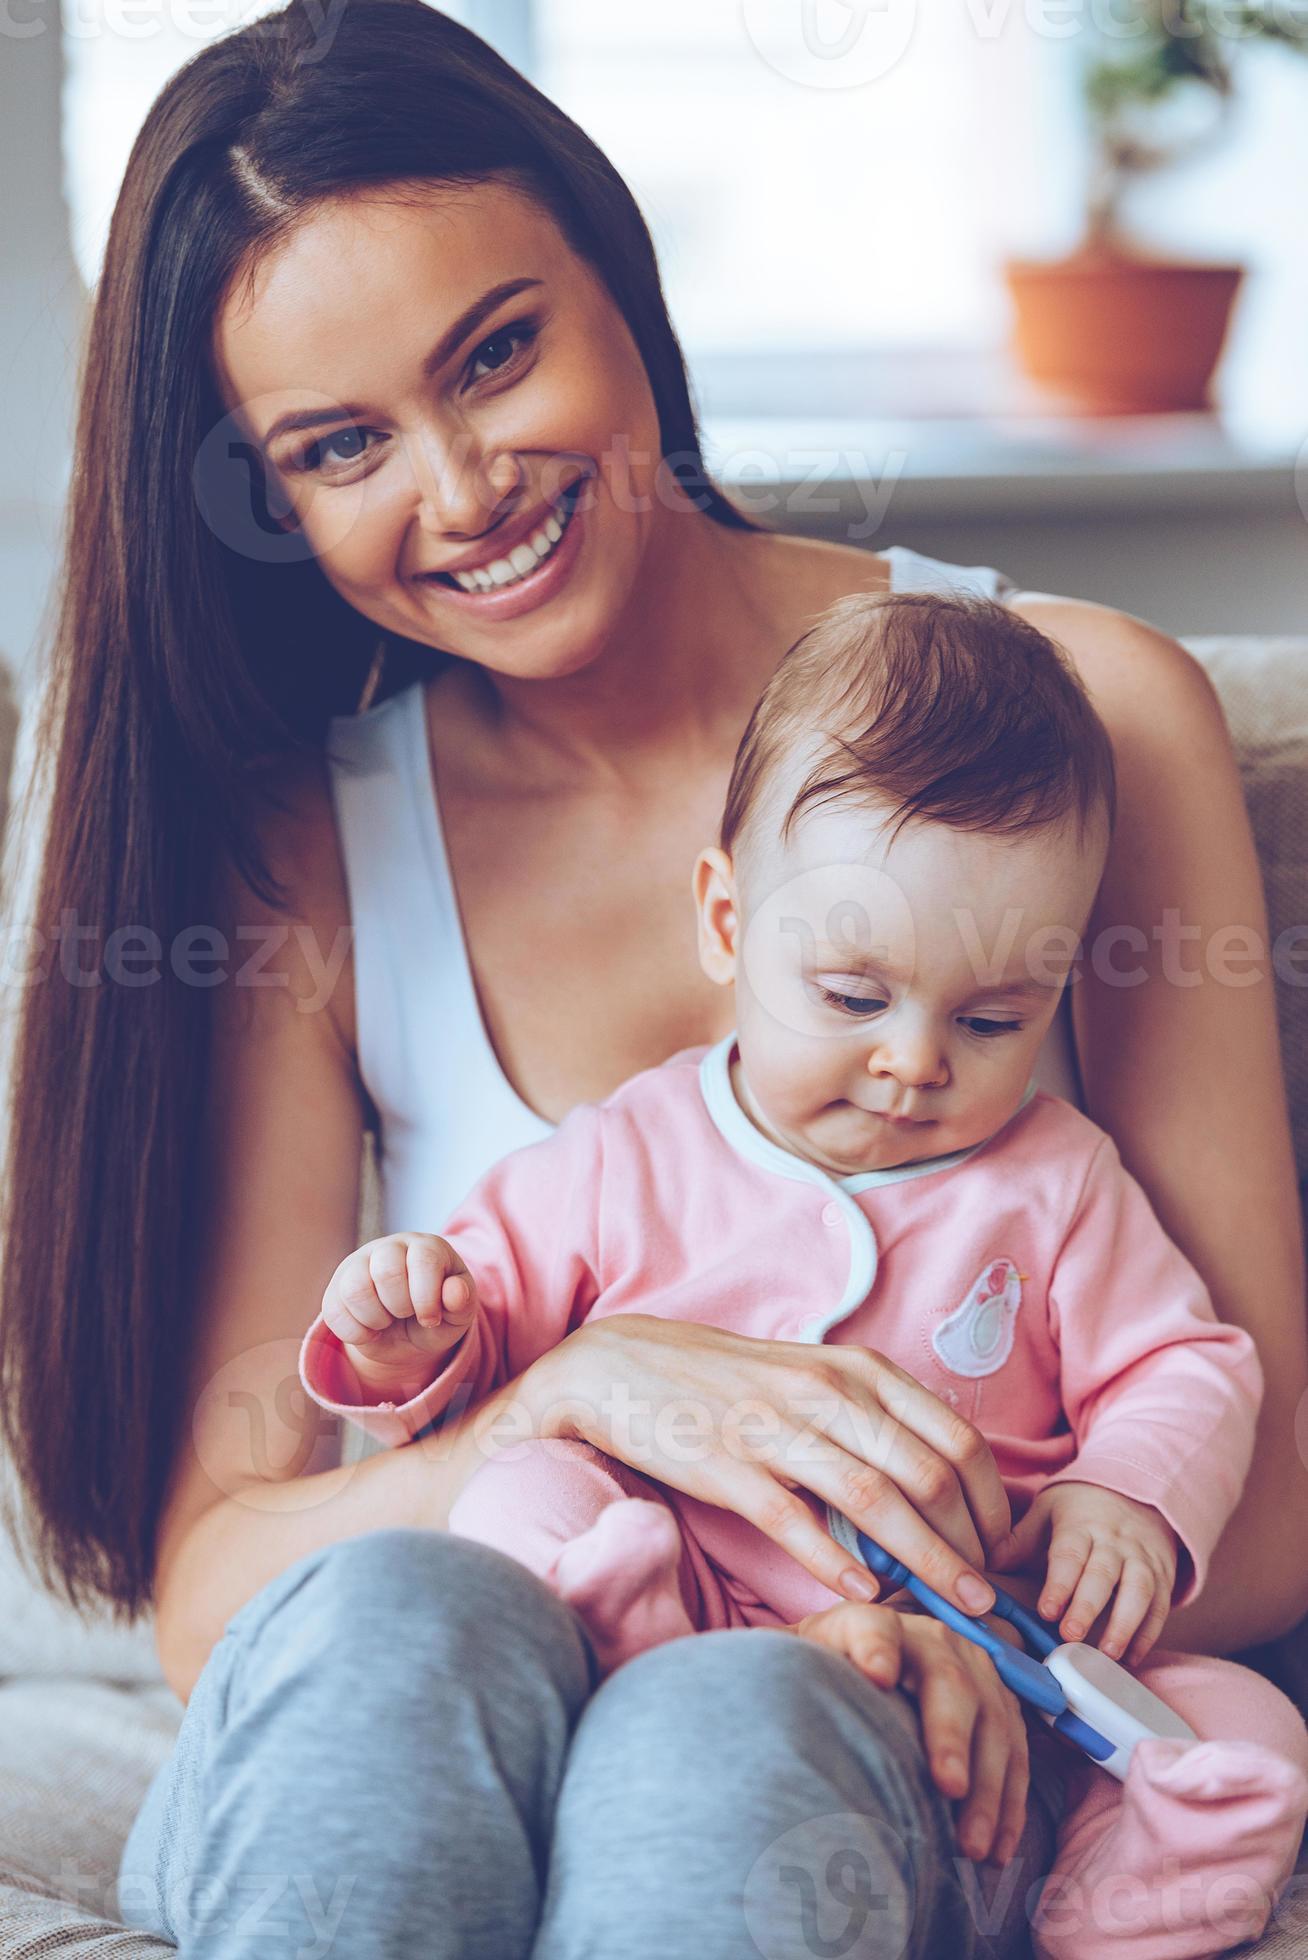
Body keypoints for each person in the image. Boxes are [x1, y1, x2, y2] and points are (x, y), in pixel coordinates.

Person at [0, 0, 1299, 1954]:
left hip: (857, 1721)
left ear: (622, 277)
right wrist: (575, 1394)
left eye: (495, 354)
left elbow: (1264, 1489)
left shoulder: (1078, 721)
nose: (463, 489)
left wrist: (931, 1621)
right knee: (395, 1614)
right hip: (448, 1694)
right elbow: (221, 1578)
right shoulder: (308, 842)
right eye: (341, 446)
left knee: (734, 1727)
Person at [300, 588, 1308, 1957]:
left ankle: (1116, 1901)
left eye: (993, 1018)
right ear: (727, 922)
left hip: (978, 1652)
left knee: (1250, 1727)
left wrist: (1125, 1496)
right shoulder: (624, 1152)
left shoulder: (1060, 1183)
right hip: (677, 1579)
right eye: (853, 998)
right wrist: (411, 1332)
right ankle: (615, 1629)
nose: (915, 1061)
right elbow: (489, 1333)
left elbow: (1186, 1362)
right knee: (526, 1492)